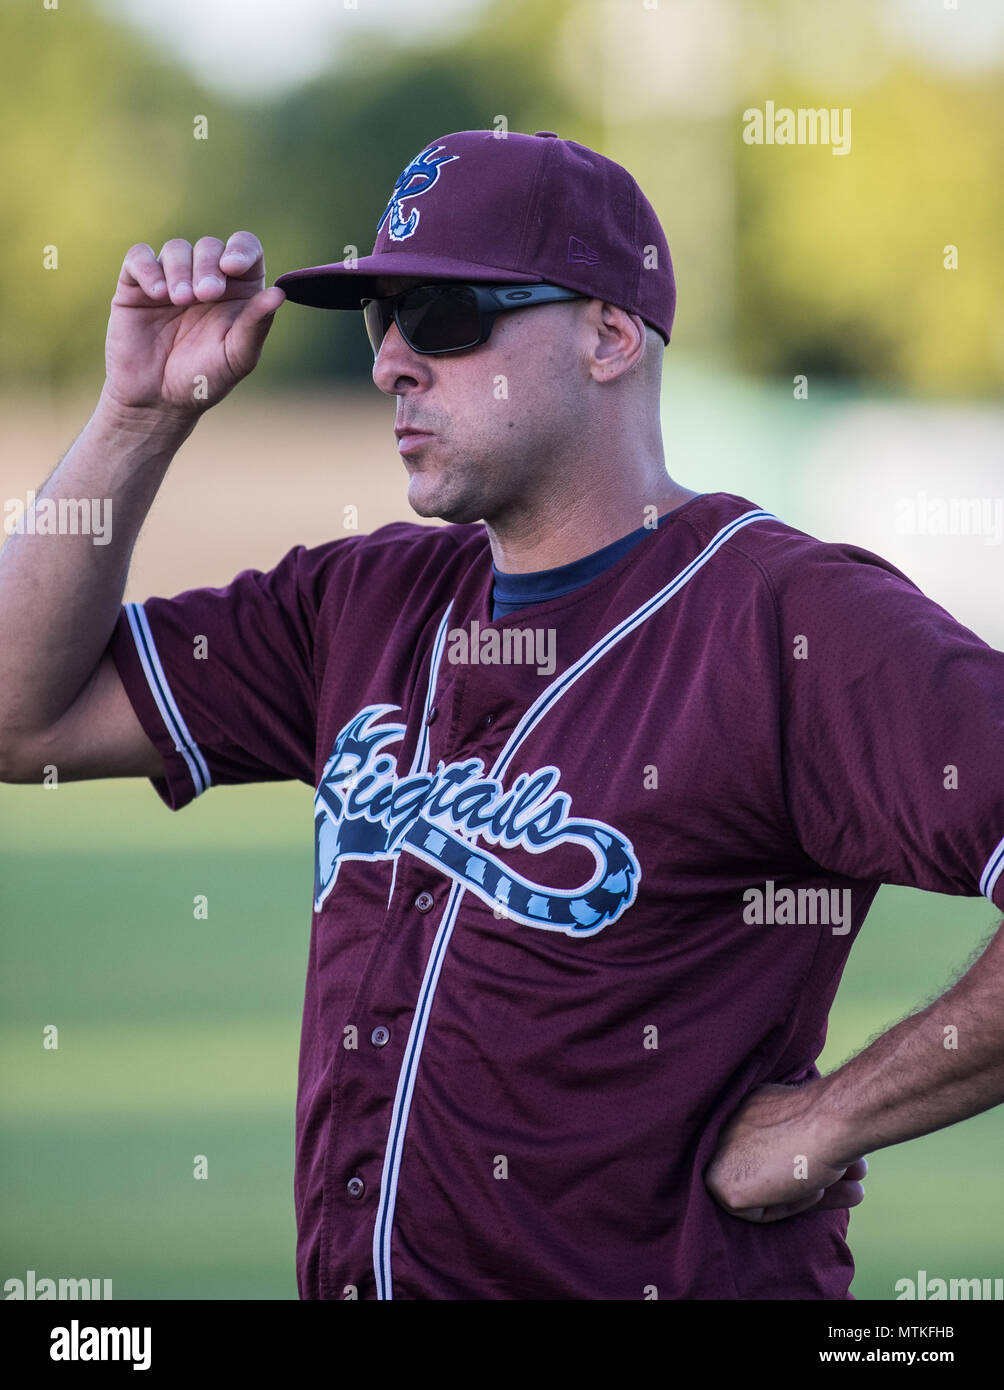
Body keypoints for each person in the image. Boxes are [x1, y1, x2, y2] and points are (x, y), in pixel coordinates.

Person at [1, 129, 1001, 1301]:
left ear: (609, 334)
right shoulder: (359, 601)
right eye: (381, 317)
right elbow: (27, 718)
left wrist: (828, 1121)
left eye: (445, 317)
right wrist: (134, 413)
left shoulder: (788, 616)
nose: (391, 365)